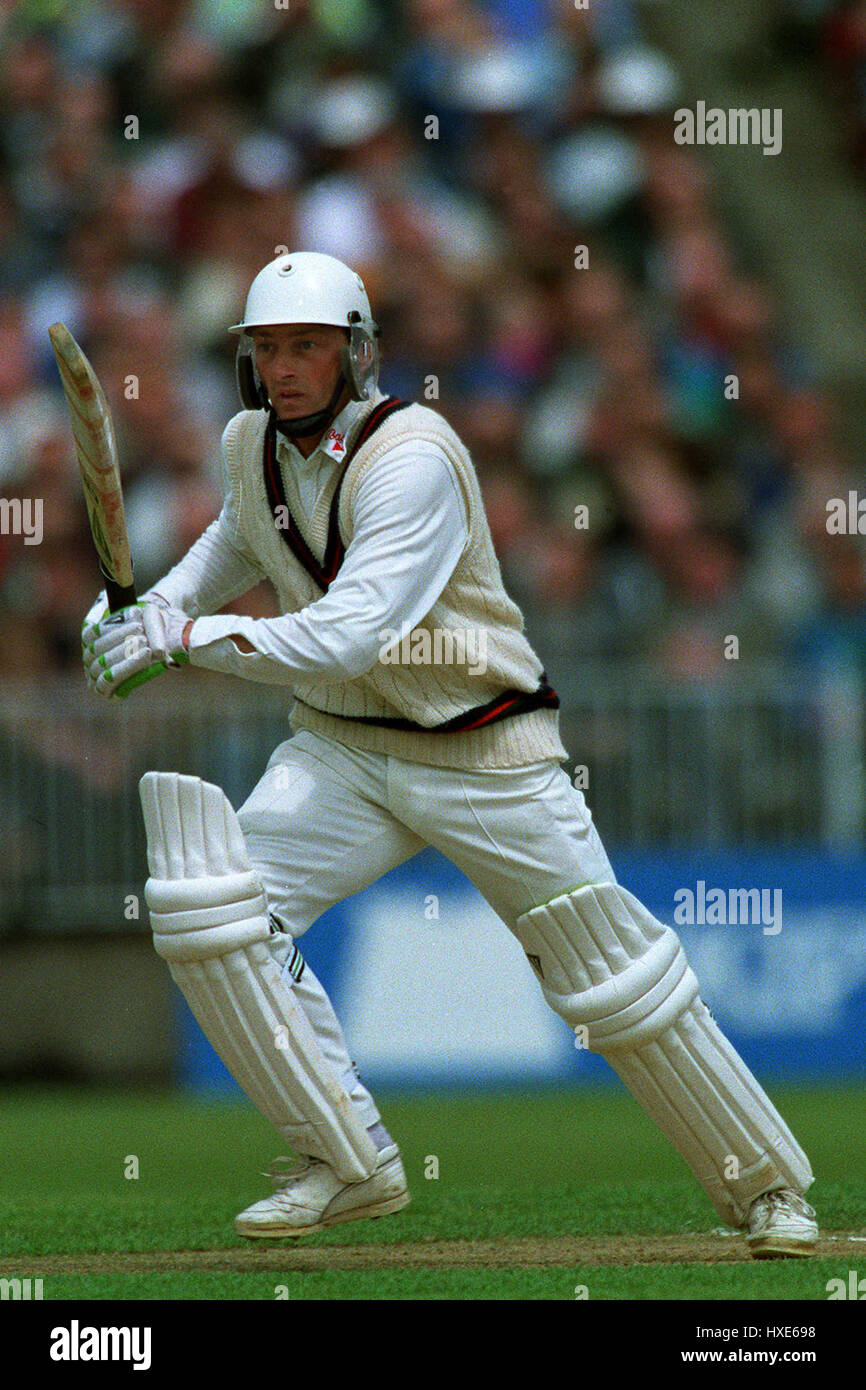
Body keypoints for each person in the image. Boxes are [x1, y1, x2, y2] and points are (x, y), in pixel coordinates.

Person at [82, 251, 818, 1257]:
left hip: (482, 749)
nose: (286, 367)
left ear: (357, 352)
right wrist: (142, 613)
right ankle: (345, 1159)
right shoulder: (249, 443)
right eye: (268, 350)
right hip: (341, 749)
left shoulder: (412, 455)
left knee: (613, 977)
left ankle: (766, 1189)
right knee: (211, 904)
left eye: (308, 346)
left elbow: (349, 634)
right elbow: (231, 547)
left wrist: (184, 643)